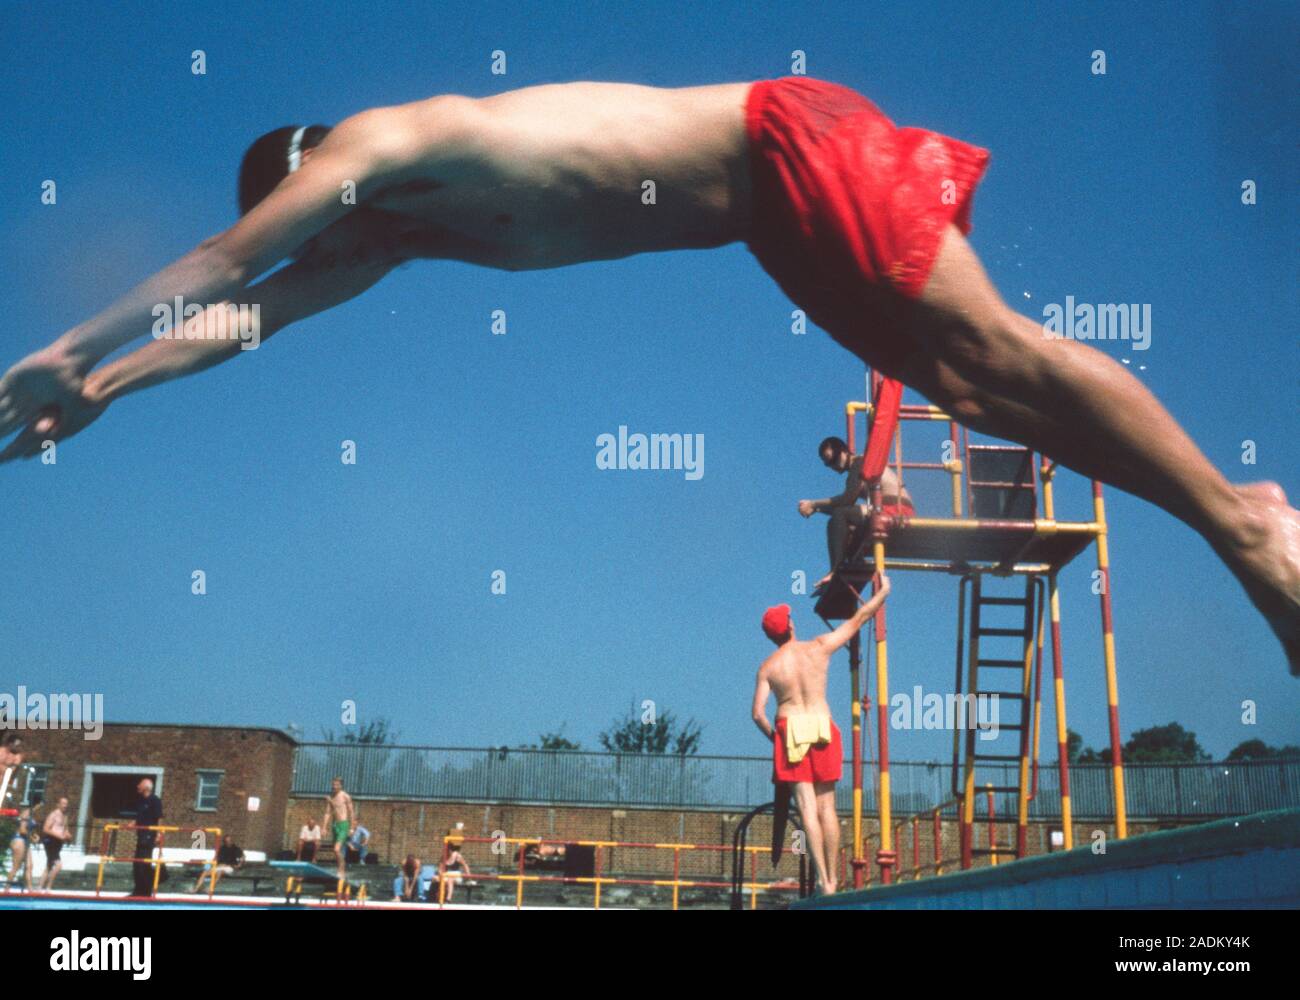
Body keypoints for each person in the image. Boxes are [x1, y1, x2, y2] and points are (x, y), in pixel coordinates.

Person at [1, 77, 1294, 672]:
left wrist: (71, 345)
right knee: (977, 387)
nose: (319, 257)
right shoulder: (395, 241)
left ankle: (1248, 532)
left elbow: (229, 265)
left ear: (308, 177)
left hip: (783, 150)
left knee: (993, 351)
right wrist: (107, 395)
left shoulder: (389, 145)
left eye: (313, 231)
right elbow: (247, 321)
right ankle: (1250, 517)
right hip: (772, 222)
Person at [752, 576, 891, 894]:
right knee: (827, 807)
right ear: (790, 626)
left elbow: (757, 713)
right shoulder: (818, 647)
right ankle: (835, 875)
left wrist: (776, 738)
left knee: (807, 807)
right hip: (821, 725)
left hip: (791, 729)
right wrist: (882, 592)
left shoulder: (768, 667)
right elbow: (859, 618)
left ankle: (823, 881)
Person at [799, 436, 915, 590]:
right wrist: (816, 508)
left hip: (894, 509)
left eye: (831, 459)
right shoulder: (859, 467)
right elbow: (845, 505)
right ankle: (849, 566)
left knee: (840, 516)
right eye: (827, 463)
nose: (831, 465)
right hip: (891, 508)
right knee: (842, 523)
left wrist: (814, 504)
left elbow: (847, 500)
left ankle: (835, 570)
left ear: (843, 451)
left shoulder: (860, 463)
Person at [130, 777, 163, 897]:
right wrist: (132, 824)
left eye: (140, 785)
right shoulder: (140, 801)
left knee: (144, 863)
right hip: (141, 835)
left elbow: (159, 818)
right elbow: (139, 818)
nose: (137, 787)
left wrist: (158, 834)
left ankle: (146, 891)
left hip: (149, 835)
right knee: (137, 863)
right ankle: (138, 890)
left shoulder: (155, 800)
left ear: (146, 787)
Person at [321, 777, 354, 880]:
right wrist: (324, 827)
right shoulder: (331, 797)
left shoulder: (345, 796)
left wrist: (352, 828)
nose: (334, 786)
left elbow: (351, 812)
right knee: (336, 850)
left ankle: (341, 870)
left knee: (336, 849)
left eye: (336, 785)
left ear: (341, 785)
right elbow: (327, 813)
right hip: (335, 825)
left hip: (343, 824)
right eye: (333, 784)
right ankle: (340, 868)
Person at [39, 796, 74, 892]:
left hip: (58, 843)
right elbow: (45, 829)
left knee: (49, 866)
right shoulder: (53, 815)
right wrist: (59, 836)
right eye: (63, 803)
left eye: (66, 804)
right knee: (58, 865)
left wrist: (68, 836)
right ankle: (48, 888)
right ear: (58, 804)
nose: (65, 806)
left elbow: (65, 830)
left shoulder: (65, 816)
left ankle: (39, 888)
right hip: (51, 841)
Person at [4, 805, 37, 892]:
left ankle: (30, 889)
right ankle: (6, 889)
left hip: (25, 841)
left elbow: (27, 829)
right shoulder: (24, 816)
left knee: (29, 866)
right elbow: (22, 830)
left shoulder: (29, 815)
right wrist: (33, 838)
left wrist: (34, 836)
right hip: (19, 840)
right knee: (16, 867)